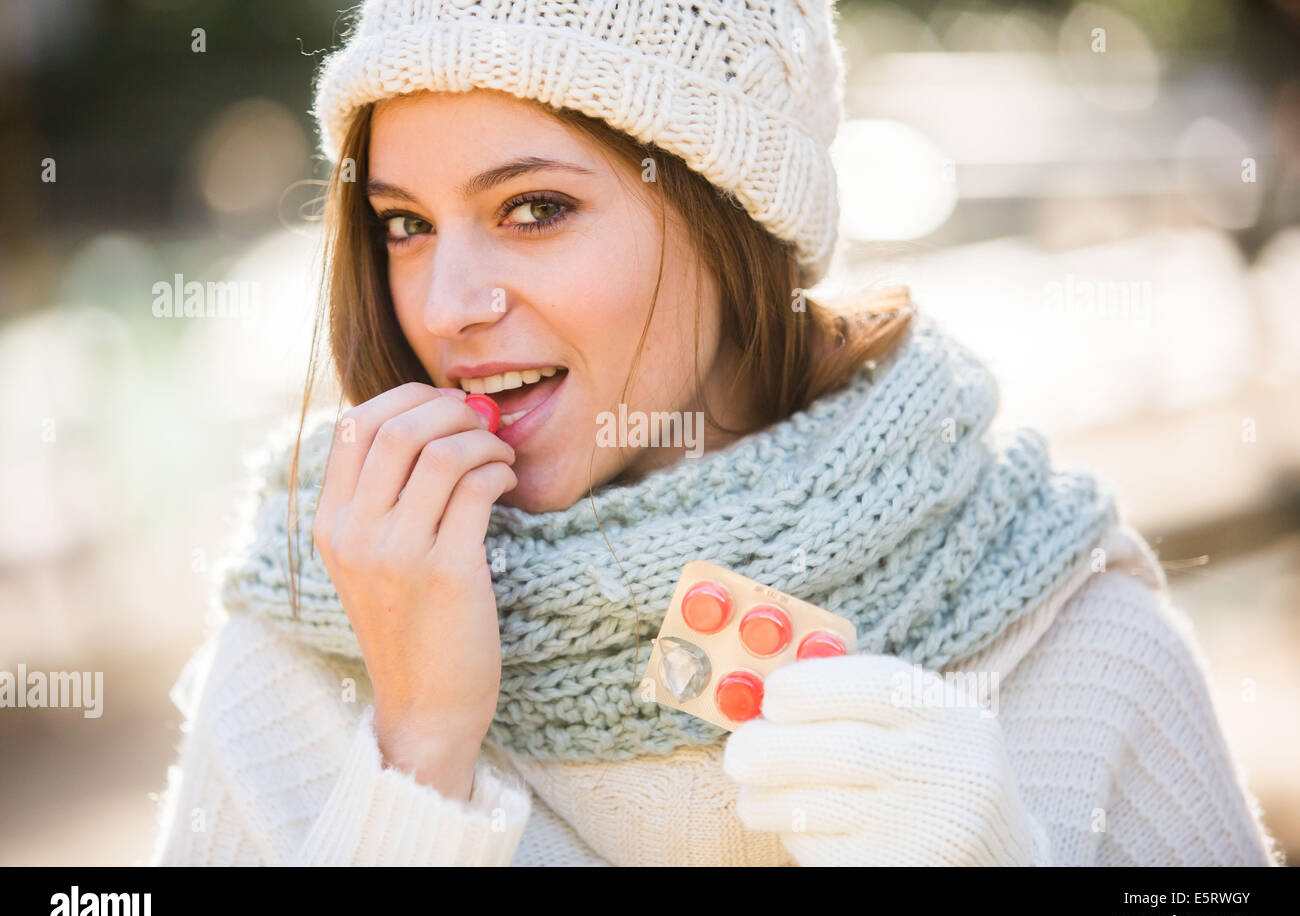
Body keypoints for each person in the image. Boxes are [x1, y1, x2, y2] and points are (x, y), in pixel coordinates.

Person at [149, 0, 1281, 866]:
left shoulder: (1070, 634)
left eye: (532, 208)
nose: (445, 304)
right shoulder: (307, 651)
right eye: (402, 223)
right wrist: (415, 755)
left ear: (735, 209)